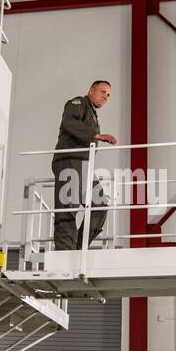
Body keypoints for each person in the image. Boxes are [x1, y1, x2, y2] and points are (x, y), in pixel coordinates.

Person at [51, 80, 117, 251]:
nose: (105, 97)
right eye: (103, 92)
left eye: (108, 95)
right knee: (68, 208)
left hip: (84, 166)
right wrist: (98, 136)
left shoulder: (94, 115)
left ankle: (78, 249)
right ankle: (65, 252)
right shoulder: (78, 103)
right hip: (70, 160)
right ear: (91, 90)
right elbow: (70, 123)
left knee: (100, 205)